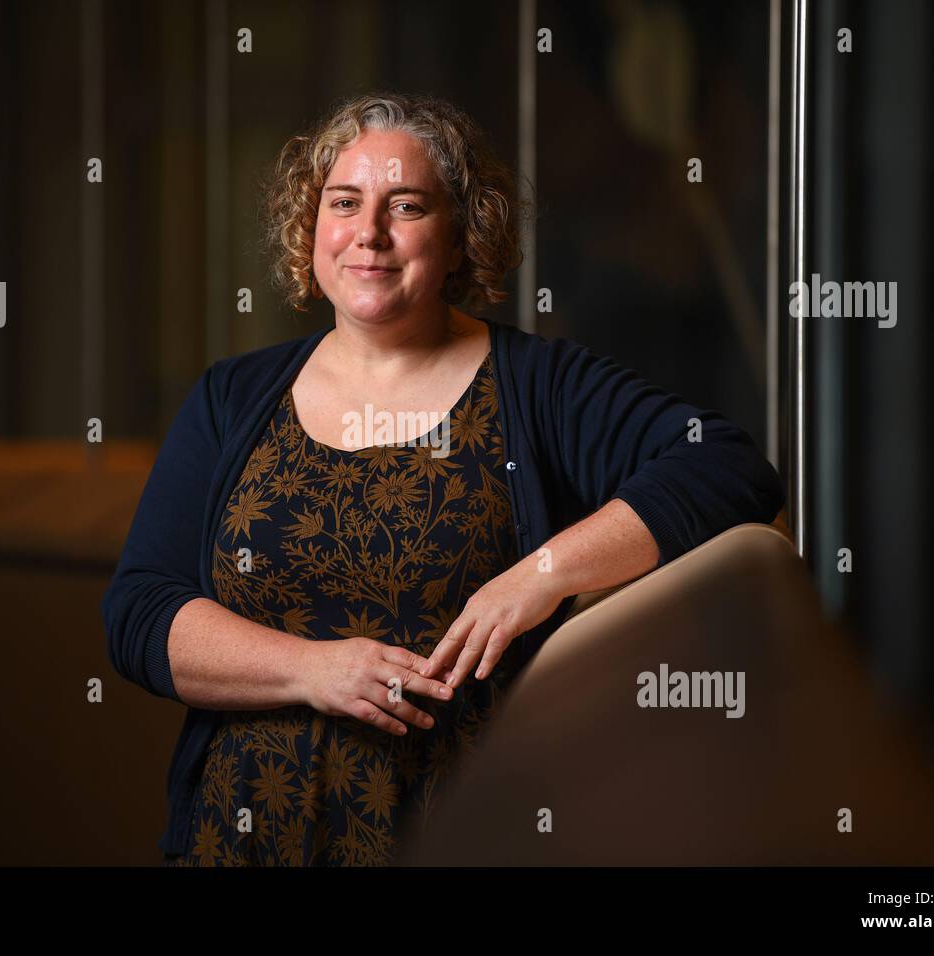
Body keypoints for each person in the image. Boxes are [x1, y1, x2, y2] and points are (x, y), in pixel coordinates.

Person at [101, 92, 785, 866]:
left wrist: (541, 574)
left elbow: (728, 466)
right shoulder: (232, 398)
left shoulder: (539, 387)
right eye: (346, 202)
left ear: (462, 234)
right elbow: (141, 612)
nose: (370, 234)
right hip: (238, 838)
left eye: (408, 206)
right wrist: (315, 669)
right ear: (311, 227)